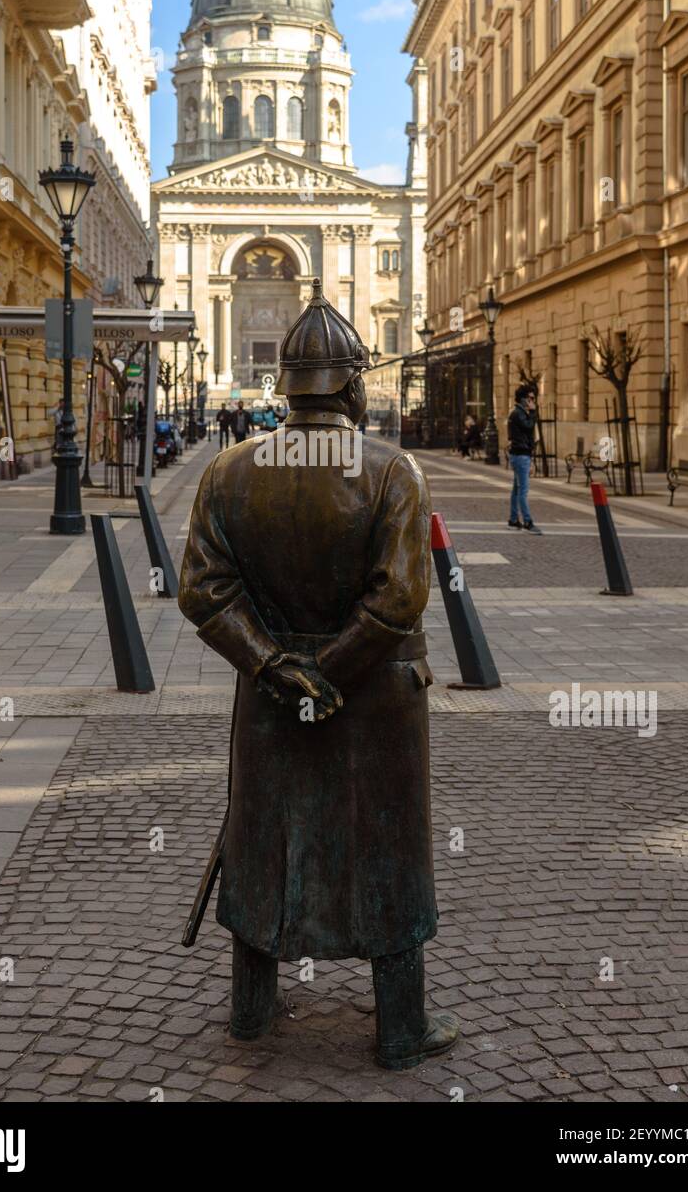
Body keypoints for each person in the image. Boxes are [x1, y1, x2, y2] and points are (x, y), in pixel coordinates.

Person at [179, 278, 457, 1070]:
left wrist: (279, 668)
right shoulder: (391, 469)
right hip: (374, 696)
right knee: (388, 846)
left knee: (261, 839)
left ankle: (250, 1012)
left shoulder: (229, 471)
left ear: (285, 387)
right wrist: (330, 671)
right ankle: (400, 1027)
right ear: (352, 385)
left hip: (270, 694)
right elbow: (399, 597)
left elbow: (202, 592)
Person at [507, 384, 541, 533]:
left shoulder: (518, 413)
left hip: (519, 454)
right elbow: (529, 427)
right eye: (531, 398)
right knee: (523, 491)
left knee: (516, 489)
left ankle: (514, 519)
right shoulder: (519, 414)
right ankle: (528, 521)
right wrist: (533, 412)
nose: (533, 401)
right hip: (521, 455)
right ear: (524, 399)